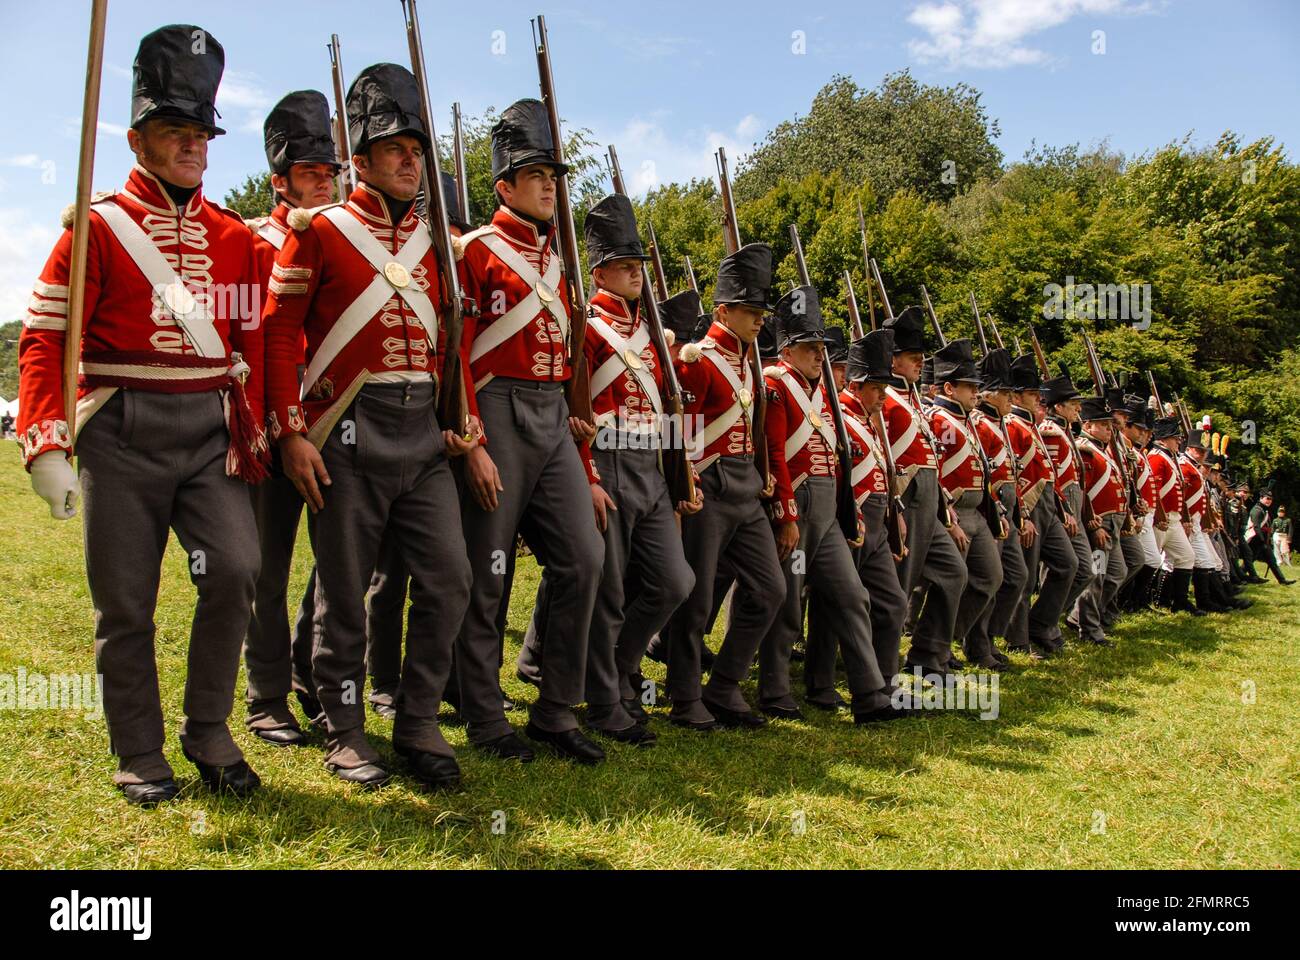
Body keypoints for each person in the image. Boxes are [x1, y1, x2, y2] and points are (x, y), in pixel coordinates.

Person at [19, 25, 266, 805]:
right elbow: (45, 337)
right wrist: (46, 443)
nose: (193, 147)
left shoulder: (236, 237)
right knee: (125, 602)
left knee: (234, 570)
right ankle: (138, 747)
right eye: (175, 132)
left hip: (206, 431)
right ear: (137, 139)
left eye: (200, 134)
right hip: (122, 429)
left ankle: (208, 726)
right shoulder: (92, 230)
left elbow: (261, 339)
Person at [264, 62, 475, 790]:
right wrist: (292, 428)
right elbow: (278, 330)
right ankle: (347, 729)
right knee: (343, 594)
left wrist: (463, 427)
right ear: (360, 161)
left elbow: (454, 346)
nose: (410, 160)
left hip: (422, 436)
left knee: (449, 579)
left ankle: (417, 721)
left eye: (416, 148)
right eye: (394, 149)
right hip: (347, 431)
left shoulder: (435, 243)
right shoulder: (319, 230)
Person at [452, 99, 606, 763]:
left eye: (553, 174)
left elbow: (574, 371)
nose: (549, 184)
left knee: (584, 558)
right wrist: (472, 439)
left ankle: (553, 710)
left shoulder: (560, 265)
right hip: (496, 412)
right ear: (504, 187)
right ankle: (484, 715)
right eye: (535, 173)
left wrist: (587, 464)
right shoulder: (477, 254)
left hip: (550, 418)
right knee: (488, 573)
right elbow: (451, 352)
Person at [512, 193, 696, 746]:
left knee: (673, 581)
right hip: (608, 460)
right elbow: (577, 412)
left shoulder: (656, 333)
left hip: (652, 468)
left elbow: (671, 406)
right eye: (623, 266)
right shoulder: (587, 326)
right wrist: (589, 474)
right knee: (609, 593)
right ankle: (603, 700)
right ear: (598, 271)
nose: (635, 275)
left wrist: (681, 473)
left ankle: (614, 671)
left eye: (639, 266)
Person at [242, 89, 340, 747]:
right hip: (272, 428)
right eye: (310, 174)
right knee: (266, 567)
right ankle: (267, 697)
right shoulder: (250, 243)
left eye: (330, 172)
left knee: (339, 568)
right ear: (280, 180)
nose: (324, 183)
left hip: (338, 425)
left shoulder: (347, 240)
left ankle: (318, 680)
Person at [757, 286, 898, 722]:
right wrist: (784, 515)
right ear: (788, 348)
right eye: (810, 348)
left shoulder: (823, 394)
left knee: (852, 595)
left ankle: (870, 694)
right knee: (789, 604)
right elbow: (775, 455)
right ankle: (775, 689)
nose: (820, 356)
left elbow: (837, 460)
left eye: (821, 348)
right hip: (797, 508)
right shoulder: (776, 384)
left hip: (828, 512)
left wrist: (848, 509)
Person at [666, 242, 785, 730]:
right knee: (695, 602)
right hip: (709, 487)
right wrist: (684, 482)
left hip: (746, 489)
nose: (760, 322)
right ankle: (685, 695)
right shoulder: (698, 360)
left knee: (770, 590)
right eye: (751, 312)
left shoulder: (748, 362)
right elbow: (680, 430)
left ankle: (725, 684)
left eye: (762, 313)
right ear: (723, 311)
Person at [880, 307, 967, 678]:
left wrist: (946, 510)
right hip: (907, 497)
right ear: (893, 359)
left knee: (954, 574)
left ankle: (927, 654)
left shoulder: (914, 398)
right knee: (898, 589)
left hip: (930, 501)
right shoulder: (883, 396)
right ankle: (881, 668)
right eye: (914, 358)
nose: (920, 365)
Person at [927, 339, 1005, 670]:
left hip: (977, 513)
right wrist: (948, 517)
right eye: (969, 386)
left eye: (977, 386)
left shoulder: (969, 420)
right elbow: (937, 472)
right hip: (954, 512)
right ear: (948, 386)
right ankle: (935, 649)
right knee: (950, 585)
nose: (977, 393)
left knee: (990, 577)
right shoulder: (938, 419)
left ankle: (949, 639)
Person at [967, 346, 1027, 668]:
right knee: (991, 578)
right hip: (988, 508)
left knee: (1016, 576)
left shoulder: (1002, 424)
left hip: (1007, 509)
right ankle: (978, 645)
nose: (1011, 400)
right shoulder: (977, 422)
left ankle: (990, 637)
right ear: (989, 395)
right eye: (1005, 393)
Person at [1071, 397, 1128, 643]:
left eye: (1110, 424)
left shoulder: (1104, 451)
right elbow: (1084, 490)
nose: (1108, 428)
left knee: (1117, 573)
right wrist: (1093, 524)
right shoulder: (1085, 450)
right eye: (1103, 424)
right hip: (1099, 524)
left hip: (1113, 522)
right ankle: (1090, 629)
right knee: (1097, 577)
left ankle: (1079, 616)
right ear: (1088, 425)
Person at [1147, 417, 1200, 613]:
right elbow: (1155, 489)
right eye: (1175, 438)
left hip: (1174, 519)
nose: (1179, 441)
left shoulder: (1169, 458)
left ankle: (1179, 600)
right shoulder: (1156, 458)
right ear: (1163, 439)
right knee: (1151, 560)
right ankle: (1145, 599)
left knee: (1186, 556)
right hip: (1161, 518)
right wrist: (1159, 515)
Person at [1247, 490, 1294, 585]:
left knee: (1272, 560)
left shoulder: (1263, 510)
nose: (1269, 501)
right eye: (1267, 498)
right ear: (1261, 498)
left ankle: (1282, 580)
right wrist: (1262, 541)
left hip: (1262, 541)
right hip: (1256, 540)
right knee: (1249, 561)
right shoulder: (1257, 510)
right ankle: (1240, 578)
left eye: (1271, 499)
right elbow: (1256, 527)